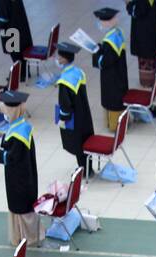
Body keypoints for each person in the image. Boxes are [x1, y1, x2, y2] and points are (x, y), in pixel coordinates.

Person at [0, 89, 41, 247]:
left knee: (21, 205)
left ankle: (27, 235)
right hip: (26, 174)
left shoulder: (18, 134)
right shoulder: (22, 126)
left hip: (19, 178)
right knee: (22, 203)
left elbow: (12, 157)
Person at [54, 42, 94, 176]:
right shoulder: (79, 72)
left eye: (59, 57)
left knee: (78, 144)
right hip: (84, 114)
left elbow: (65, 104)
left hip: (74, 119)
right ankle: (89, 168)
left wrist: (62, 119)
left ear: (64, 59)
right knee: (86, 139)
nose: (57, 59)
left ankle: (84, 171)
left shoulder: (65, 81)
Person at [91, 7, 127, 133]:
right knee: (116, 96)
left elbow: (105, 61)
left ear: (106, 22)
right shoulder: (118, 32)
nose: (99, 24)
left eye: (100, 21)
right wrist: (101, 48)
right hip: (119, 73)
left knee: (112, 99)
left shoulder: (110, 40)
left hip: (112, 77)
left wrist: (96, 53)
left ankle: (114, 125)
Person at [0, 0, 32, 82]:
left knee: (15, 52)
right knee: (21, 49)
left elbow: (3, 13)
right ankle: (26, 72)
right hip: (20, 25)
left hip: (10, 28)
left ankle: (20, 74)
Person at [127, 0, 156, 89]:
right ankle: (153, 78)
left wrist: (128, 4)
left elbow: (138, 11)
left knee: (145, 51)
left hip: (144, 28)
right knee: (149, 49)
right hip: (149, 25)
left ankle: (147, 82)